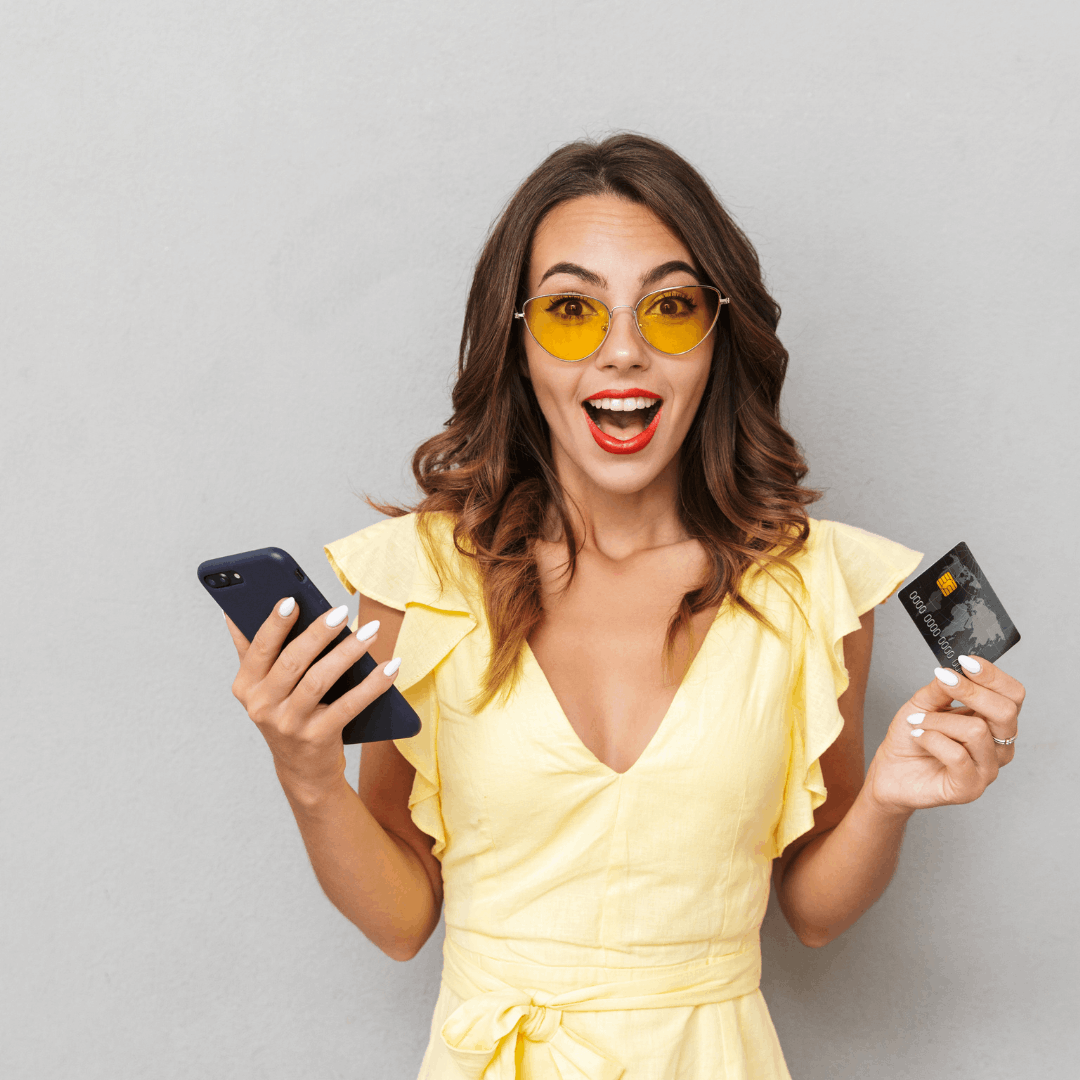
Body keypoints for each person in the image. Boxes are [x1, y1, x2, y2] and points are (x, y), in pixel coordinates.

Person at [224, 134, 1025, 1079]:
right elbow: (403, 924)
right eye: (571, 311)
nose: (623, 353)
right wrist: (307, 772)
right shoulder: (419, 579)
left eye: (671, 308)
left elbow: (812, 912)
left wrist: (890, 800)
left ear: (718, 337)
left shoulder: (815, 588)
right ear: (519, 342)